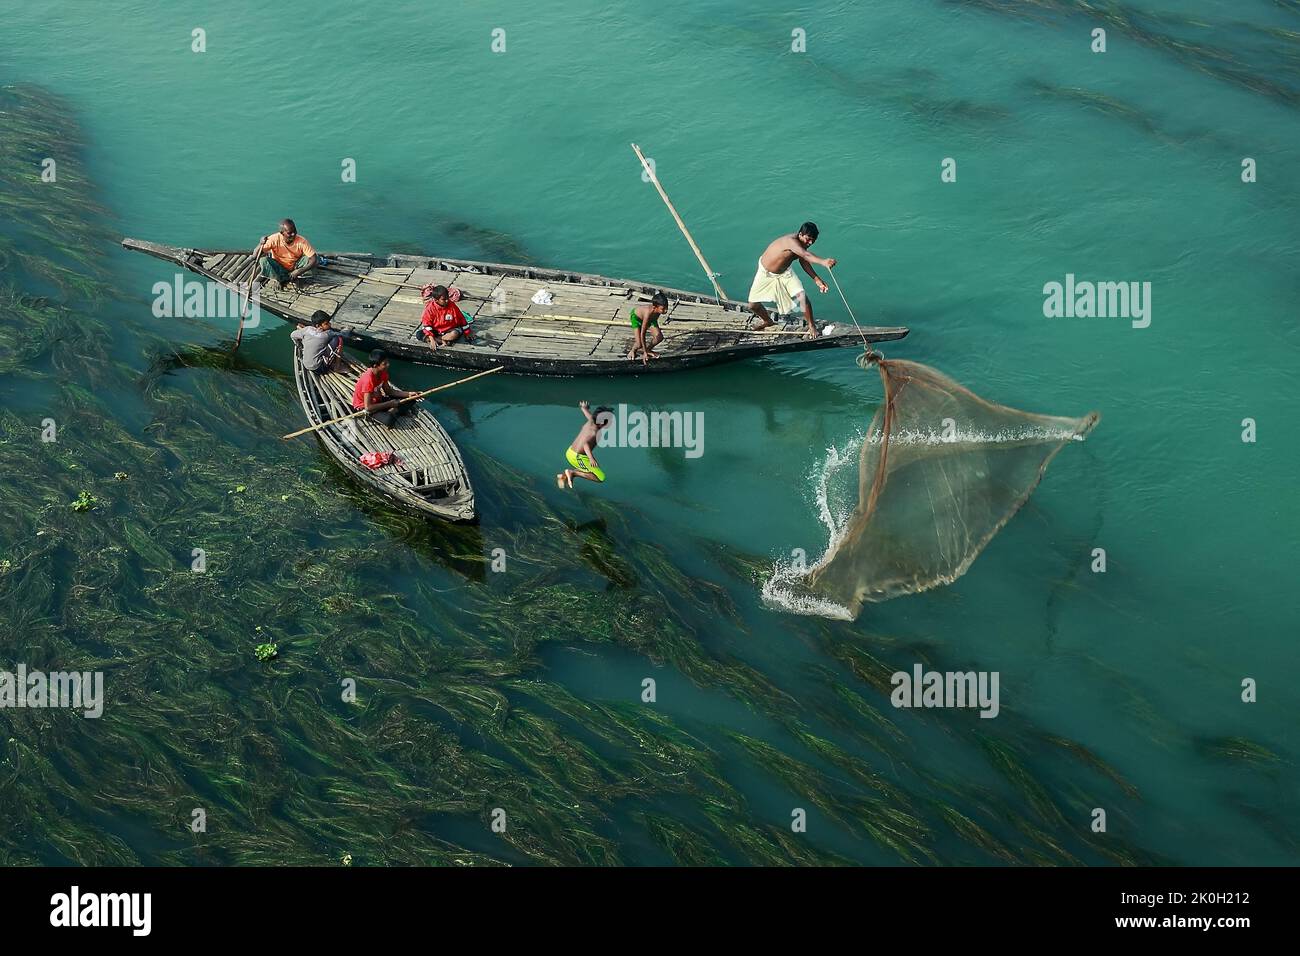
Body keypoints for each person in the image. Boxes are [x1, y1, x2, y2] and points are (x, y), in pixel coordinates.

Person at [747, 221, 837, 337]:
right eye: (808, 239)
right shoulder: (790, 241)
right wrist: (823, 262)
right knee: (753, 305)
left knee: (802, 297)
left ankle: (811, 326)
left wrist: (817, 280)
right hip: (766, 273)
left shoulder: (802, 244)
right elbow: (806, 255)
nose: (810, 243)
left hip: (785, 273)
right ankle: (767, 321)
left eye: (813, 240)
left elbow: (803, 260)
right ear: (800, 234)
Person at [351, 349, 419, 427]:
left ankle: (393, 410)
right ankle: (393, 411)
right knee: (389, 420)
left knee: (411, 400)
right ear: (375, 366)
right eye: (384, 364)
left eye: (387, 362)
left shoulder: (383, 373)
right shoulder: (368, 380)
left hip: (378, 401)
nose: (388, 365)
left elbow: (389, 391)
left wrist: (409, 394)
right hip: (366, 407)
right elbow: (368, 407)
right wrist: (389, 404)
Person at [556, 400, 611, 489]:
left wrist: (584, 408)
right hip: (577, 457)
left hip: (570, 451)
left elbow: (589, 416)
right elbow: (586, 444)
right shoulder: (595, 433)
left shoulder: (591, 421)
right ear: (601, 423)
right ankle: (572, 473)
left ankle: (564, 477)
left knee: (590, 469)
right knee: (600, 477)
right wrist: (591, 459)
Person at [254, 219, 320, 291]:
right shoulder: (273, 239)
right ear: (282, 233)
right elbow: (256, 254)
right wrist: (260, 244)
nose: (293, 234)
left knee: (310, 260)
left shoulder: (302, 241)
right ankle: (278, 279)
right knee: (263, 260)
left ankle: (295, 277)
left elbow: (314, 258)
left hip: (295, 267)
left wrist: (300, 271)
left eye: (294, 231)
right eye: (289, 233)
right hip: (279, 268)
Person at [419, 284, 474, 350]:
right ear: (436, 300)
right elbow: (427, 325)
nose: (447, 300)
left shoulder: (452, 305)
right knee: (419, 334)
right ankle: (441, 340)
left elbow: (461, 319)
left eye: (447, 298)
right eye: (444, 299)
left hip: (449, 330)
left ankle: (440, 339)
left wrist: (467, 332)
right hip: (436, 330)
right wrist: (432, 339)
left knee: (454, 334)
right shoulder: (430, 309)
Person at [627, 291, 669, 365]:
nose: (665, 311)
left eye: (666, 308)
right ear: (654, 307)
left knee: (659, 337)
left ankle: (648, 350)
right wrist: (645, 354)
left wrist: (646, 351)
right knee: (639, 344)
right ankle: (633, 350)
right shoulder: (648, 313)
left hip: (651, 319)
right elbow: (643, 333)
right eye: (663, 309)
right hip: (636, 318)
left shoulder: (658, 311)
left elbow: (653, 322)